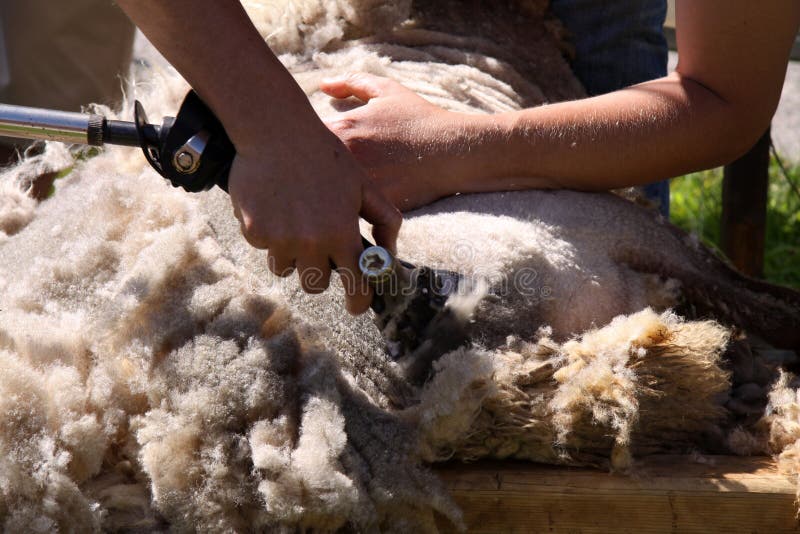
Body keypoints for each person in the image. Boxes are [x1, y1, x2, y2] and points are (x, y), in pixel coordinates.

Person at [117, 0, 800, 314]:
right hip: (316, 35)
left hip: (565, 43)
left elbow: (724, 95)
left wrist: (460, 148)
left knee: (595, 314)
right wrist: (274, 129)